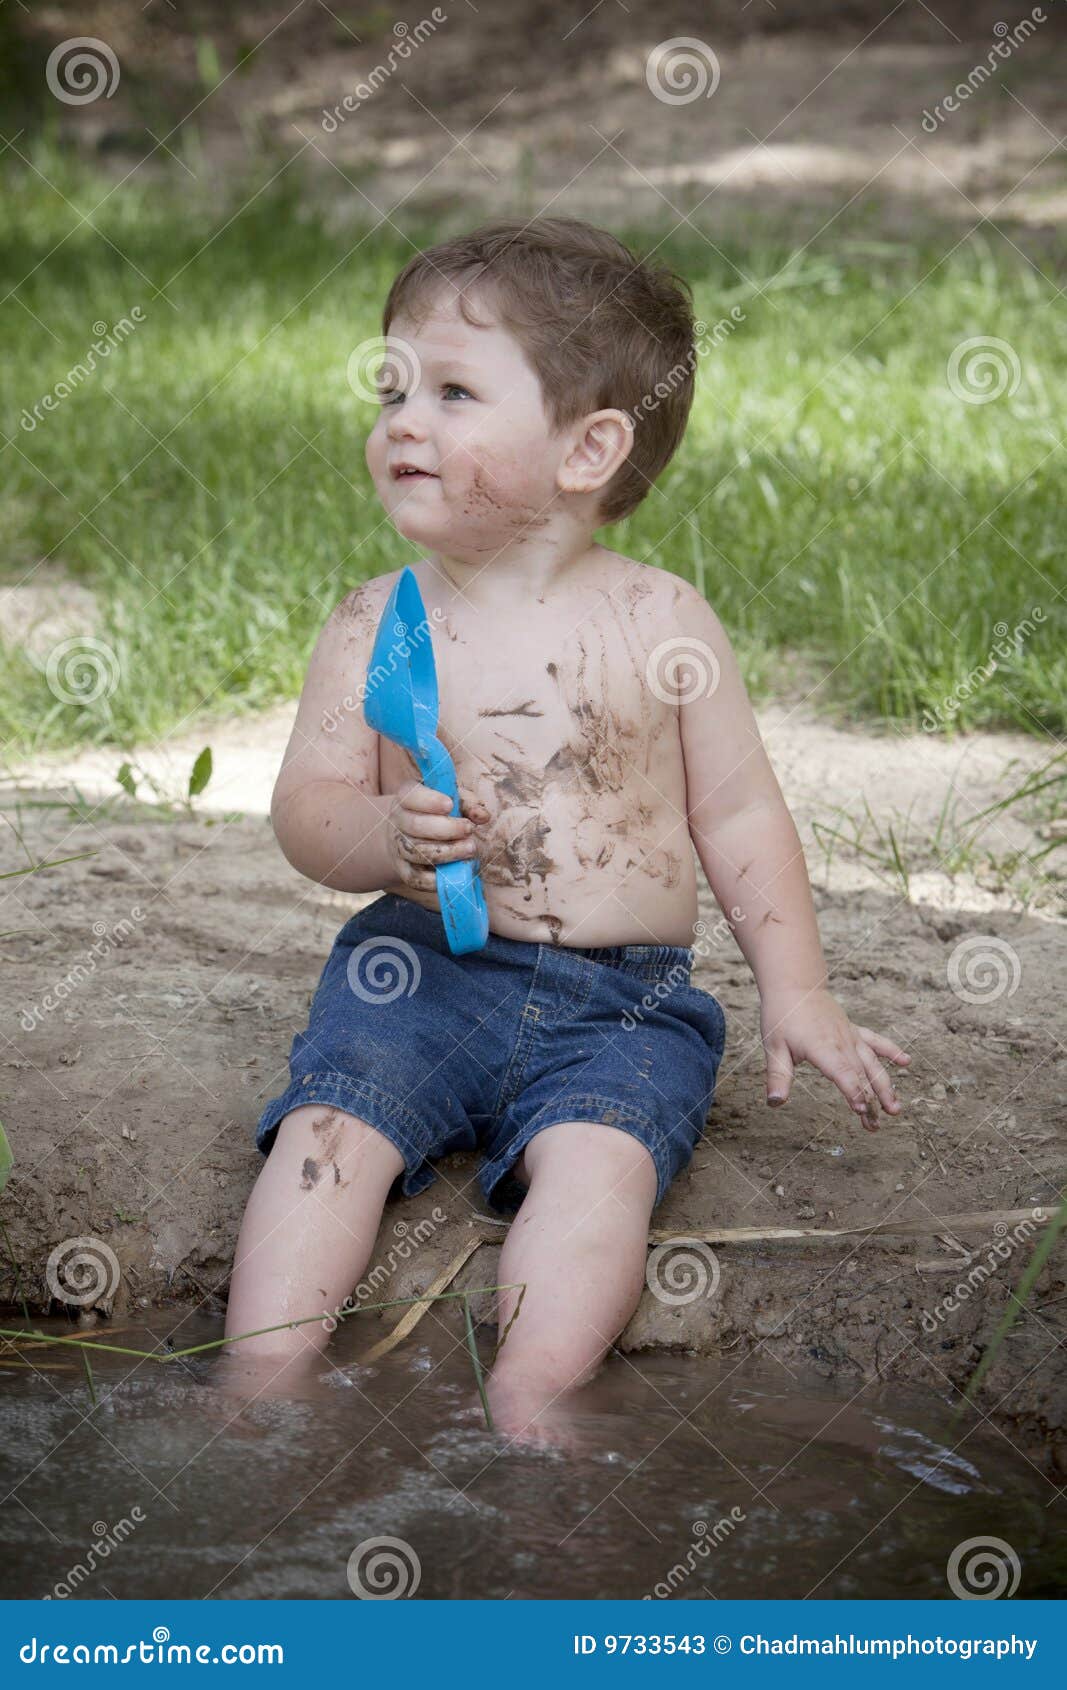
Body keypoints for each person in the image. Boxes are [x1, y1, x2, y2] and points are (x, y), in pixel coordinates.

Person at [222, 217, 909, 1445]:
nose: (398, 422)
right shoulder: (375, 620)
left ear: (589, 446)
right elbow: (305, 814)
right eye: (391, 388)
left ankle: (534, 1400)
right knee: (331, 1129)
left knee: (600, 1170)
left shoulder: (661, 619)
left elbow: (736, 812)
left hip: (622, 1003)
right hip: (416, 968)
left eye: (450, 391)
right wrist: (380, 835)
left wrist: (794, 990)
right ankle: (260, 1382)